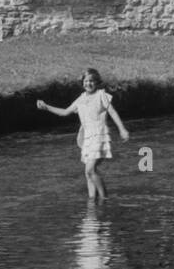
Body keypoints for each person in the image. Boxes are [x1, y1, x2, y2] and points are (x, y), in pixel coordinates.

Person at [37, 68, 129, 202]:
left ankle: (104, 199)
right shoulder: (81, 99)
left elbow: (113, 112)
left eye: (91, 81)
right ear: (83, 83)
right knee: (88, 173)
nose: (88, 84)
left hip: (99, 137)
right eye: (86, 81)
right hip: (88, 139)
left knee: (90, 170)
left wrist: (122, 129)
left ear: (97, 82)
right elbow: (65, 112)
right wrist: (46, 107)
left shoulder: (101, 95)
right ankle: (92, 201)